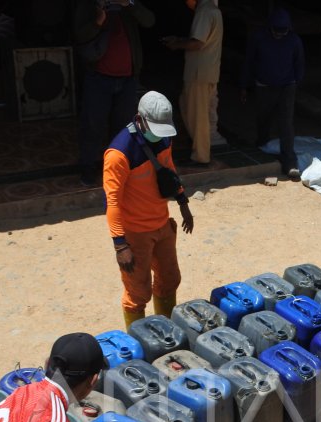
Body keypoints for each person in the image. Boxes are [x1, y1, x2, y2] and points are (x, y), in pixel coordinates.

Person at [104, 91, 195, 328]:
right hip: (135, 235)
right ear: (140, 120)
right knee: (138, 293)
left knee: (170, 279)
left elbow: (168, 168)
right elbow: (112, 202)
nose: (159, 135)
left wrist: (183, 201)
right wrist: (120, 245)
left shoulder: (164, 138)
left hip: (162, 225)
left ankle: (166, 332)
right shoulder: (118, 155)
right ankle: (139, 343)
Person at [75, 0, 157, 186]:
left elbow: (149, 21)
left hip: (127, 79)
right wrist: (98, 21)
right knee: (93, 126)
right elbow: (79, 35)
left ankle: (117, 168)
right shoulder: (90, 5)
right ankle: (88, 168)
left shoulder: (128, 6)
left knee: (123, 129)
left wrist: (129, 4)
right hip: (99, 78)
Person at [241, 9, 306, 180]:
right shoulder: (258, 38)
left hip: (287, 86)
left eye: (283, 31)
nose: (279, 34)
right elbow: (249, 61)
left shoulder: (294, 40)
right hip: (263, 85)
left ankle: (290, 163)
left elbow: (299, 63)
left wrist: (295, 82)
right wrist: (244, 85)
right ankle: (261, 152)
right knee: (263, 119)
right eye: (276, 31)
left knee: (286, 124)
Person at [162, 0, 223, 167]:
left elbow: (197, 43)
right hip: (207, 71)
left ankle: (201, 156)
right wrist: (180, 39)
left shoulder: (204, 11)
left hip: (199, 73)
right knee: (190, 109)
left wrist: (177, 44)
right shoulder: (212, 10)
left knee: (197, 116)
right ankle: (200, 151)